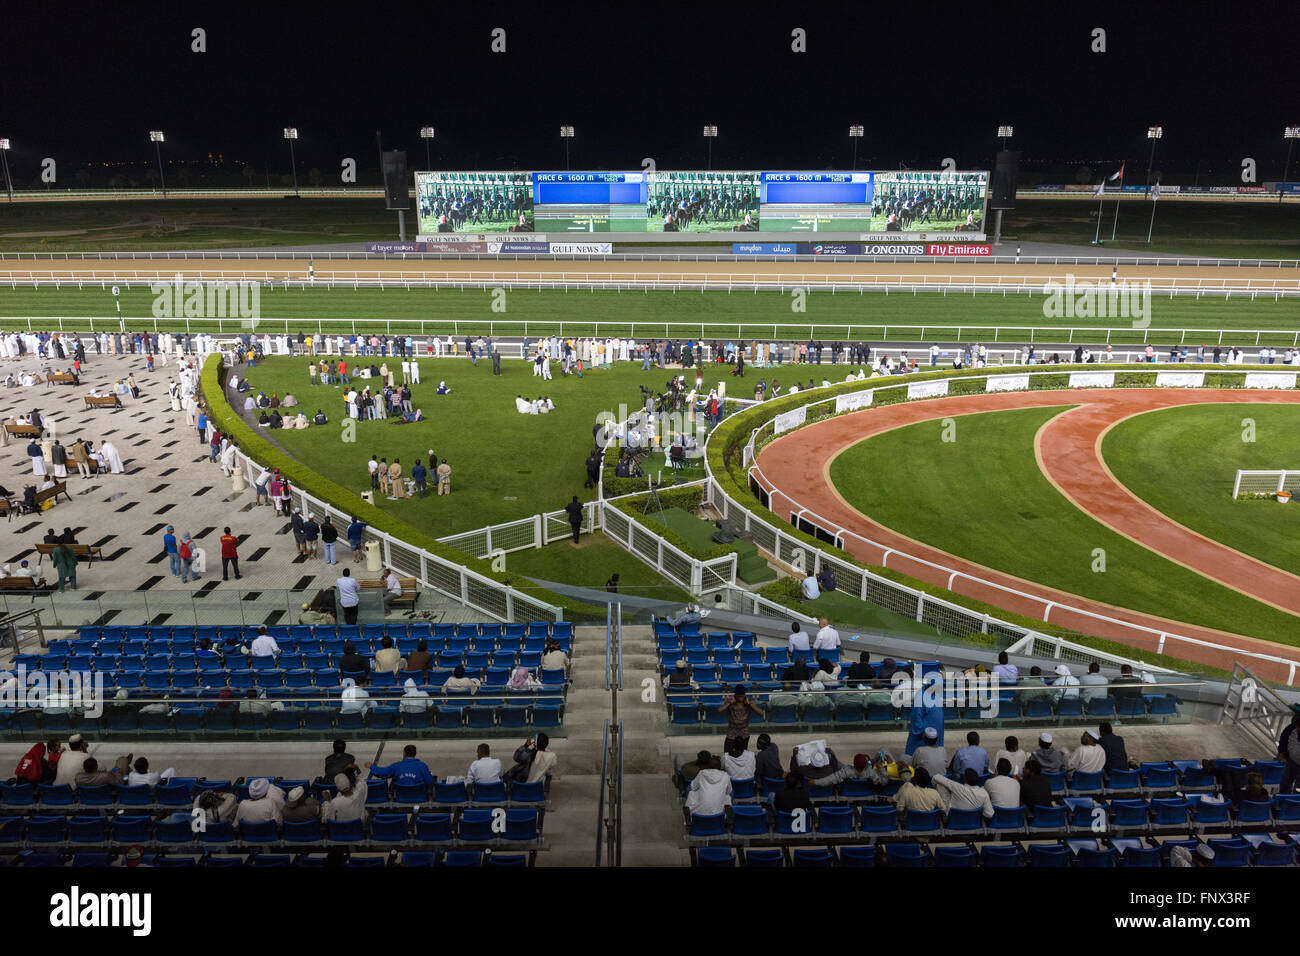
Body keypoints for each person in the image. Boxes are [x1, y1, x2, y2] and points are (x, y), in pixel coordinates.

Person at [716, 685, 763, 750]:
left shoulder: (748, 702)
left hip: (744, 732)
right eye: (739, 696)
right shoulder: (730, 702)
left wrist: (750, 705)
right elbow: (719, 710)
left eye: (742, 695)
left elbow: (761, 713)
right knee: (727, 752)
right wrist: (729, 703)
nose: (740, 697)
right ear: (735, 695)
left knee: (742, 753)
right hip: (732, 731)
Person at [368, 745, 435, 789]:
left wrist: (371, 766)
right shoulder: (422, 766)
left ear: (404, 753)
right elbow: (429, 781)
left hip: (400, 798)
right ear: (415, 754)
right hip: (419, 798)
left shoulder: (397, 766)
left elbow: (382, 773)